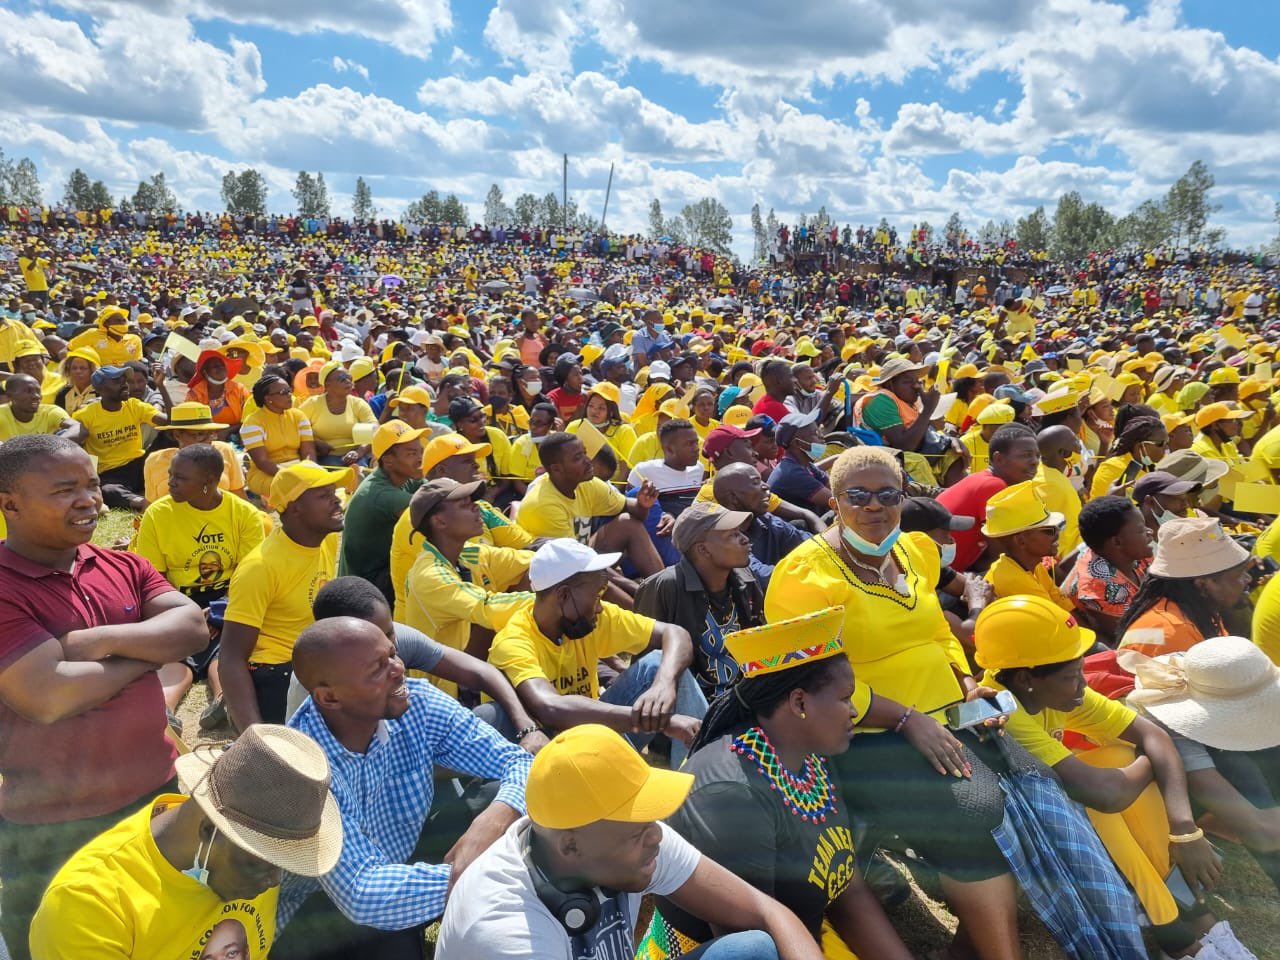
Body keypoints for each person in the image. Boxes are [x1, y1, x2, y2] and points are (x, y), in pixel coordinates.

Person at [767, 445, 1027, 960]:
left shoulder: (914, 550)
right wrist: (905, 719)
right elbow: (808, 682)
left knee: (1028, 789)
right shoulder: (804, 577)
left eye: (888, 494)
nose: (873, 507)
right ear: (836, 501)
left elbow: (937, 632)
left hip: (950, 716)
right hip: (859, 735)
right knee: (970, 818)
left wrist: (966, 682)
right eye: (857, 495)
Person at [0, 435, 206, 960]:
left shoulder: (124, 566)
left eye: (92, 485)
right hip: (50, 823)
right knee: (53, 943)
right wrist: (146, 653)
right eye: (65, 489)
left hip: (149, 797)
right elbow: (46, 694)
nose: (89, 500)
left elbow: (192, 628)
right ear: (9, 504)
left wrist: (100, 642)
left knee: (152, 930)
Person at [974, 596, 1235, 960]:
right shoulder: (1004, 710)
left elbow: (1156, 736)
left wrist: (1184, 829)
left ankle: (1192, 916)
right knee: (1108, 786)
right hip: (1009, 833)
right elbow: (1106, 793)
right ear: (1025, 678)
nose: (1083, 685)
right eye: (1071, 677)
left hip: (1075, 799)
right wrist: (1147, 759)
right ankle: (1177, 936)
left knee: (1114, 757)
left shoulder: (1053, 690)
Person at [436, 723, 826, 960]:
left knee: (752, 950)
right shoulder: (506, 933)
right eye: (639, 830)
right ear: (570, 847)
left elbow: (767, 911)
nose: (657, 834)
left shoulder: (628, 837)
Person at [653, 607, 914, 960]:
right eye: (845, 698)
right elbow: (753, 945)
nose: (853, 711)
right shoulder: (732, 794)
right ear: (799, 702)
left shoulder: (809, 756)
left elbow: (844, 888)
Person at [275, 616, 534, 960]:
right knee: (390, 934)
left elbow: (519, 762)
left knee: (500, 804)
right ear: (329, 697)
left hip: (392, 862)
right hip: (318, 911)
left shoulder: (418, 702)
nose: (398, 670)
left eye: (393, 655)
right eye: (377, 669)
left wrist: (496, 820)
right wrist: (492, 871)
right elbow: (362, 894)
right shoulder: (303, 767)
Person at [29, 724, 343, 960]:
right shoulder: (88, 907)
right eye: (262, 863)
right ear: (209, 830)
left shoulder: (254, 859)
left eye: (285, 862)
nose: (275, 880)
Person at [488, 538, 707, 765]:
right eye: (596, 596)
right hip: (545, 750)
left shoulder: (592, 618)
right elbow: (551, 708)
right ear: (563, 595)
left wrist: (664, 683)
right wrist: (657, 720)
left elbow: (675, 634)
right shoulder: (513, 641)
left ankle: (702, 778)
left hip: (593, 730)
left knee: (660, 664)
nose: (600, 607)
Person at [1119, 637, 1280, 895]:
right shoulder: (1171, 726)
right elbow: (1262, 832)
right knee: (1242, 771)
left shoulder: (1215, 669)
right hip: (1150, 792)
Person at [134, 444, 268, 711]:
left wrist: (219, 612)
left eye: (179, 478)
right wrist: (188, 615)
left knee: (229, 647)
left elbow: (250, 575)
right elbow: (153, 579)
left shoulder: (244, 514)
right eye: (170, 474)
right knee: (176, 653)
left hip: (230, 596)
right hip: (176, 599)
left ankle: (224, 701)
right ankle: (164, 711)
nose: (170, 482)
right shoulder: (158, 514)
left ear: (208, 481)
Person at [220, 462, 347, 729]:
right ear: (294, 507)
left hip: (315, 658)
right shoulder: (260, 567)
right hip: (277, 672)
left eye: (334, 491)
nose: (336, 500)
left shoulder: (326, 538)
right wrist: (254, 734)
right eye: (324, 496)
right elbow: (231, 658)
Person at [402, 478, 534, 686]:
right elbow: (487, 609)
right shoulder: (429, 574)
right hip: (449, 692)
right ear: (440, 522)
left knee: (541, 570)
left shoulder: (470, 554)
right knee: (496, 619)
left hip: (474, 670)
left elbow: (536, 562)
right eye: (465, 505)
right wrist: (549, 604)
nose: (476, 506)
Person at [634, 502, 765, 699]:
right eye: (732, 535)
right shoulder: (665, 587)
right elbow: (646, 665)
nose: (745, 539)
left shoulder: (745, 578)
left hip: (743, 696)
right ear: (704, 550)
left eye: (740, 532)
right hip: (691, 702)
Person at [517, 431, 665, 577]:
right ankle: (655, 595)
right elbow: (574, 568)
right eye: (577, 458)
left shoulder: (586, 483)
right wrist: (634, 590)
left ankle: (662, 587)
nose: (588, 460)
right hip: (552, 576)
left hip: (579, 557)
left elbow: (633, 509)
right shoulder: (544, 505)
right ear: (556, 469)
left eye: (585, 453)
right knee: (607, 585)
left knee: (628, 523)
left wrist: (643, 504)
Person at [1116, 516, 1251, 656]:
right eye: (1239, 574)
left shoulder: (1197, 611)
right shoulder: (1173, 633)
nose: (1248, 579)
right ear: (1203, 585)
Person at [336, 419, 426, 603]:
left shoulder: (402, 475)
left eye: (420, 451)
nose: (420, 459)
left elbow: (433, 490)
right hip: (363, 589)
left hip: (379, 573)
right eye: (411, 453)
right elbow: (434, 514)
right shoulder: (382, 494)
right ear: (389, 461)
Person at [937, 422, 1042, 572]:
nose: (1035, 462)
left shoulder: (985, 479)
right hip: (941, 581)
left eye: (1037, 455)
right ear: (998, 459)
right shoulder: (993, 486)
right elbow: (1001, 556)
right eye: (1026, 456)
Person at [72, 363, 172, 509]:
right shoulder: (85, 415)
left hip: (141, 464)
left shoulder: (134, 405)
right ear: (100, 389)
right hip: (111, 473)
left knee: (171, 434)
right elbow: (75, 450)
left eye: (124, 381)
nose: (125, 385)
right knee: (108, 491)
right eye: (117, 381)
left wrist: (161, 386)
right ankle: (144, 504)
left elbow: (171, 422)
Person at [697, 423, 824, 533]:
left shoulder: (749, 484)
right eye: (748, 447)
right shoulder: (712, 493)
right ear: (729, 453)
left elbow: (805, 514)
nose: (755, 453)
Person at [1065, 496, 1155, 644]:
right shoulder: (1098, 586)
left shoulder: (1133, 552)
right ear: (1117, 542)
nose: (1149, 532)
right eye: (1141, 530)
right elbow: (1129, 637)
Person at [710, 462, 812, 585]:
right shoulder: (722, 536)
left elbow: (811, 545)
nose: (766, 486)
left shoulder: (766, 520)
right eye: (755, 482)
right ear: (733, 497)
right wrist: (810, 570)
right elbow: (761, 576)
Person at [981, 481, 1073, 611]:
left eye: (1057, 527)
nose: (1058, 533)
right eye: (1050, 530)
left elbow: (1061, 601)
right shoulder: (1014, 580)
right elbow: (1063, 622)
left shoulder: (1033, 565)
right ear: (1021, 541)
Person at [241, 373, 316, 500]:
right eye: (283, 392)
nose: (290, 395)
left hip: (298, 468)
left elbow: (308, 451)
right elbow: (262, 462)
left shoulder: (298, 416)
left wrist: (310, 469)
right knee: (298, 488)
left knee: (320, 482)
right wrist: (290, 476)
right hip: (266, 474)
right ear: (268, 398)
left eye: (289, 390)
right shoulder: (252, 423)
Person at [299, 362, 377, 466]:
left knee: (359, 473)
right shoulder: (313, 404)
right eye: (342, 379)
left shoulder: (358, 403)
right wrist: (314, 442)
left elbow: (375, 429)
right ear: (327, 384)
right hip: (324, 457)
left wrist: (358, 453)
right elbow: (295, 427)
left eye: (349, 377)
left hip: (356, 455)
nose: (348, 381)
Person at [1033, 423, 1084, 561]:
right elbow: (1060, 535)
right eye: (1075, 441)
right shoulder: (1054, 485)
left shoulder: (1044, 474)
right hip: (1065, 561)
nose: (1080, 445)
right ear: (1064, 453)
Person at [767, 409, 833, 512]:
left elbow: (834, 486)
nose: (821, 436)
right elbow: (835, 501)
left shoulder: (804, 464)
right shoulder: (792, 473)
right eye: (815, 433)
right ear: (798, 443)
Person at [0, 373, 81, 441]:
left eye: (38, 391)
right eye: (28, 391)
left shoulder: (50, 412)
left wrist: (53, 443)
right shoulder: (2, 414)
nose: (36, 396)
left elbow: (78, 428)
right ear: (9, 396)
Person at [1133, 471, 1200, 538]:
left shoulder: (1190, 530)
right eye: (1177, 498)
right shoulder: (1131, 544)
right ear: (1150, 502)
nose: (1186, 505)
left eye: (1185, 498)